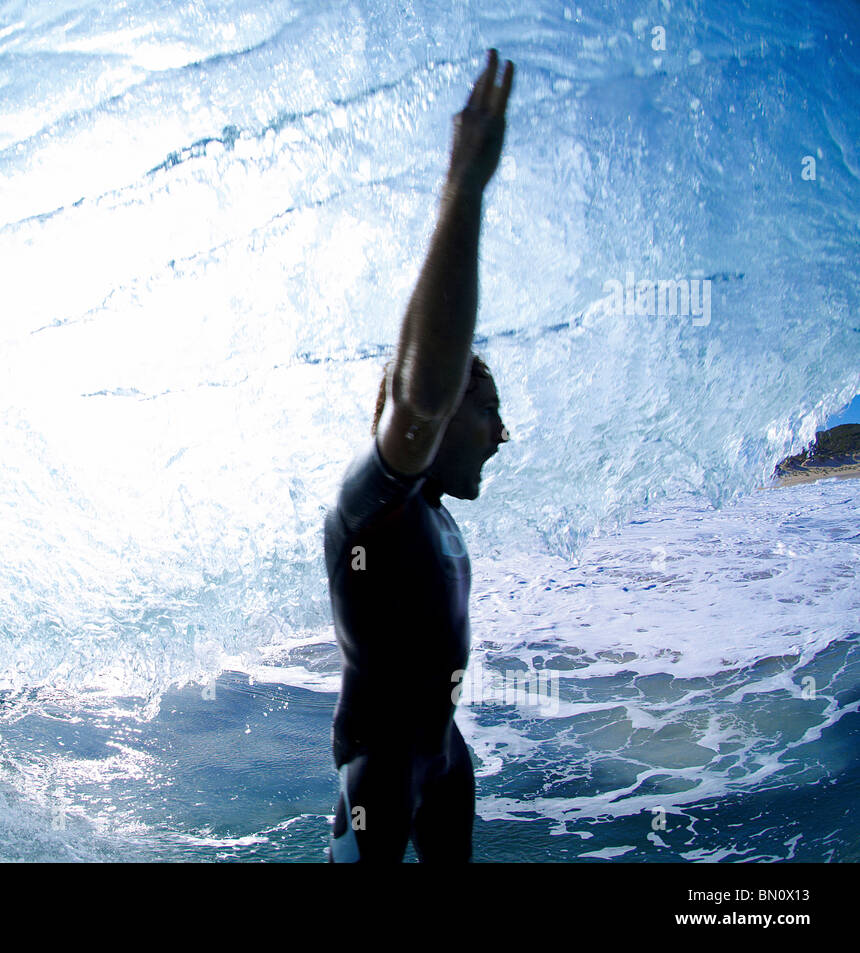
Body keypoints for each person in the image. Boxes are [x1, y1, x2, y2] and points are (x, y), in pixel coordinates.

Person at [325, 49, 513, 862]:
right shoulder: (373, 506)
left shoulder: (430, 515)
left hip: (442, 756)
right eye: (489, 411)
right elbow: (420, 396)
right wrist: (464, 188)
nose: (502, 434)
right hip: (385, 774)